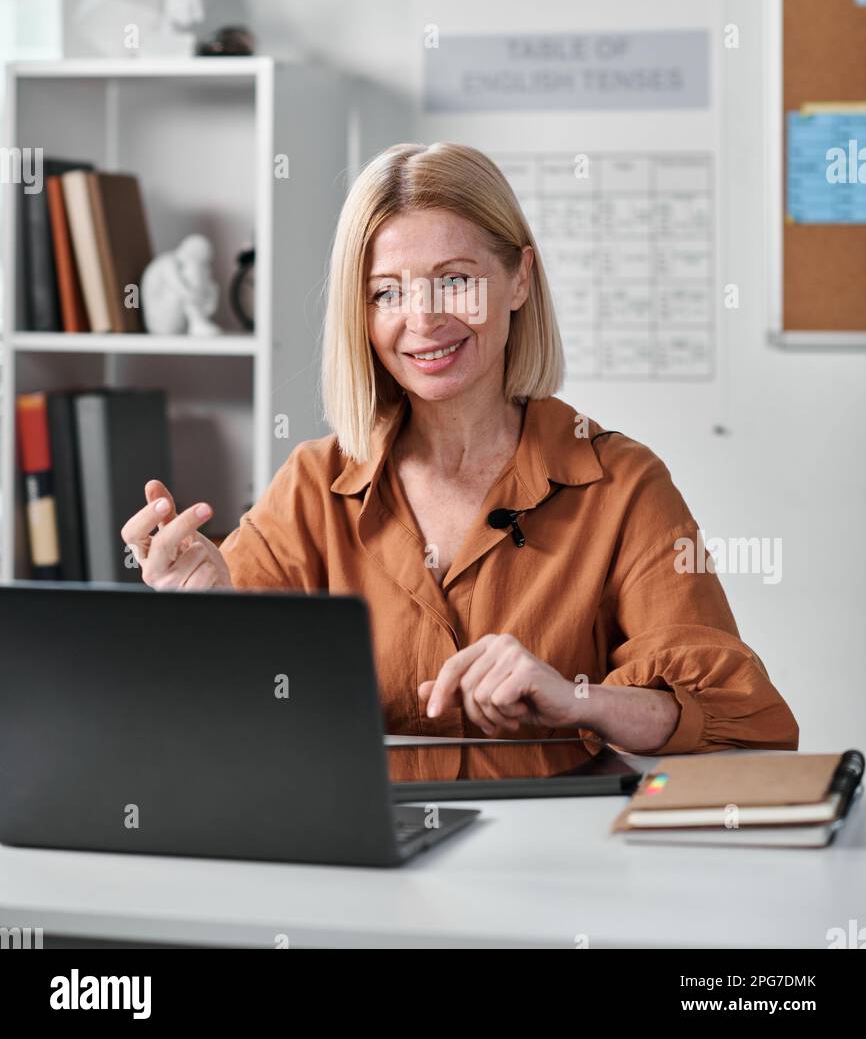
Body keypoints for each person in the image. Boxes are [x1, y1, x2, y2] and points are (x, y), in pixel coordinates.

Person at [121, 142, 798, 782]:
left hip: (557, 879)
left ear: (519, 281)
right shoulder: (311, 486)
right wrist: (208, 613)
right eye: (387, 292)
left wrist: (579, 699)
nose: (422, 319)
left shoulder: (622, 484)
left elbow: (744, 720)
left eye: (455, 281)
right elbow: (228, 719)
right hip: (369, 874)